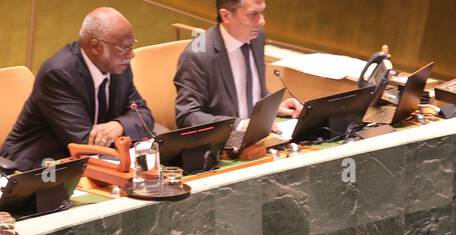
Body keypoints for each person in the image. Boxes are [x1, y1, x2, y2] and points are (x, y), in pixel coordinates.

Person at [0, 7, 153, 173]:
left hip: (85, 163)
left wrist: (120, 125)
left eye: (132, 46)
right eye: (125, 48)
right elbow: (85, 142)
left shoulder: (119, 67)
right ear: (96, 47)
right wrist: (127, 132)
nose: (131, 55)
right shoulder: (59, 74)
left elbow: (144, 116)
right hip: (38, 167)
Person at [174, 0, 302, 130]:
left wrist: (276, 108)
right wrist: (239, 125)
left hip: (257, 135)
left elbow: (253, 92)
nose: (262, 21)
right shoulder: (197, 55)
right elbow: (187, 116)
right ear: (226, 16)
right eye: (253, 14)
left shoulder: (257, 38)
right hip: (221, 144)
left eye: (262, 12)